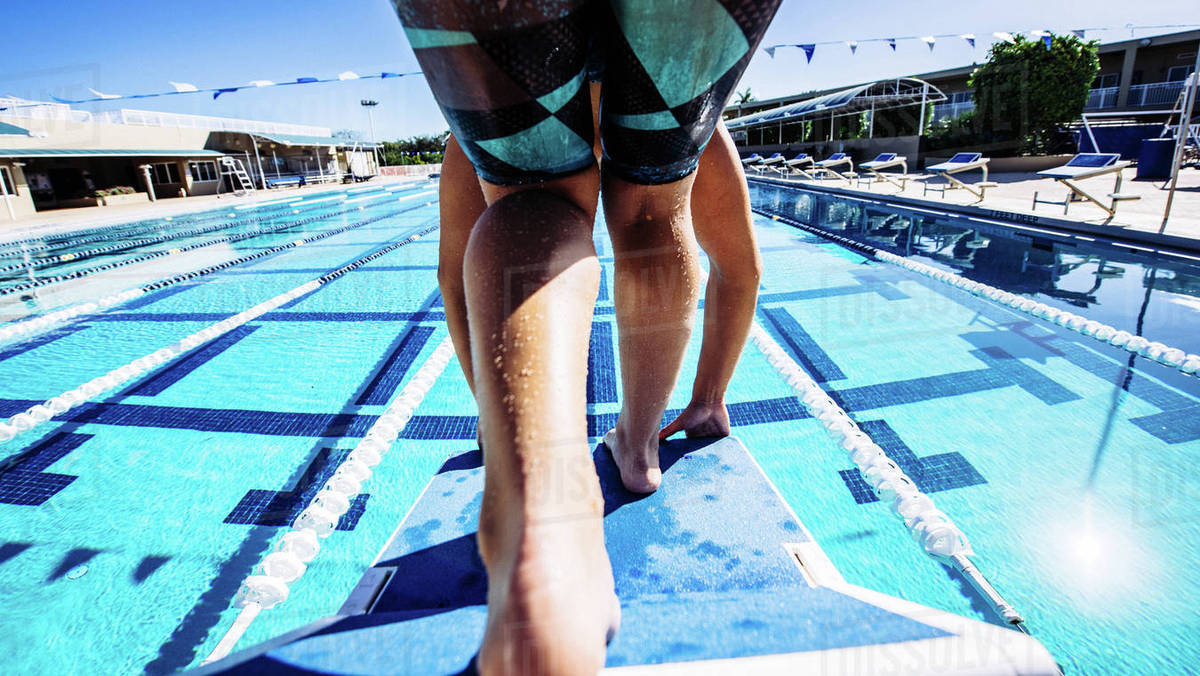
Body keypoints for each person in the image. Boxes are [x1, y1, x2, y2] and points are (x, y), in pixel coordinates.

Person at [393, 2, 780, 673]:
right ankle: (636, 449)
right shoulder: (706, 139)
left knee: (528, 199)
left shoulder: (465, 146)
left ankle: (536, 514)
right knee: (658, 208)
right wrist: (710, 394)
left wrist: (501, 414)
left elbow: (455, 278)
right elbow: (740, 270)